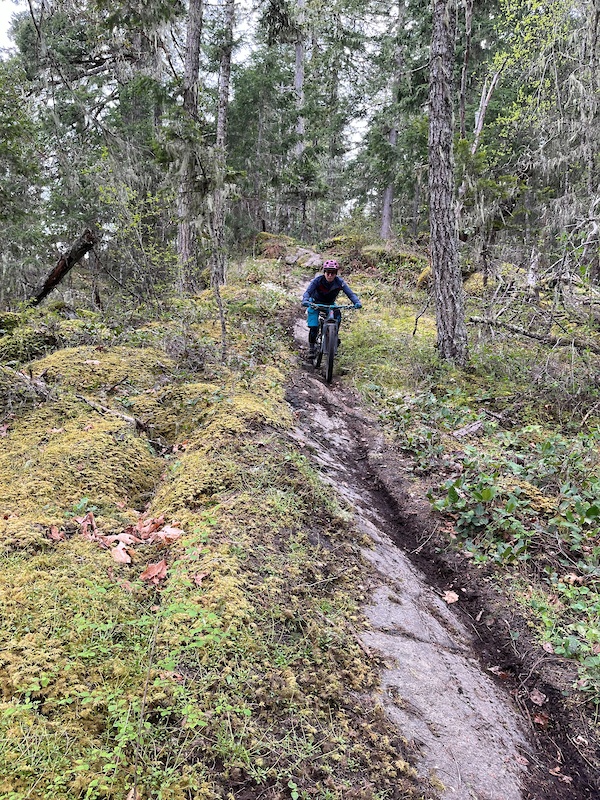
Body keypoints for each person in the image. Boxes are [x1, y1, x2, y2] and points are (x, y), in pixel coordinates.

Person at [302, 260, 362, 357]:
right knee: (313, 326)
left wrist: (357, 302)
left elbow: (350, 294)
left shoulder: (339, 282)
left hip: (330, 304)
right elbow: (308, 292)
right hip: (315, 303)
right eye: (328, 272)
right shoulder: (317, 281)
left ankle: (333, 336)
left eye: (333, 273)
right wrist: (305, 300)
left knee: (337, 316)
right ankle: (311, 348)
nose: (330, 275)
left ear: (336, 274)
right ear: (324, 272)